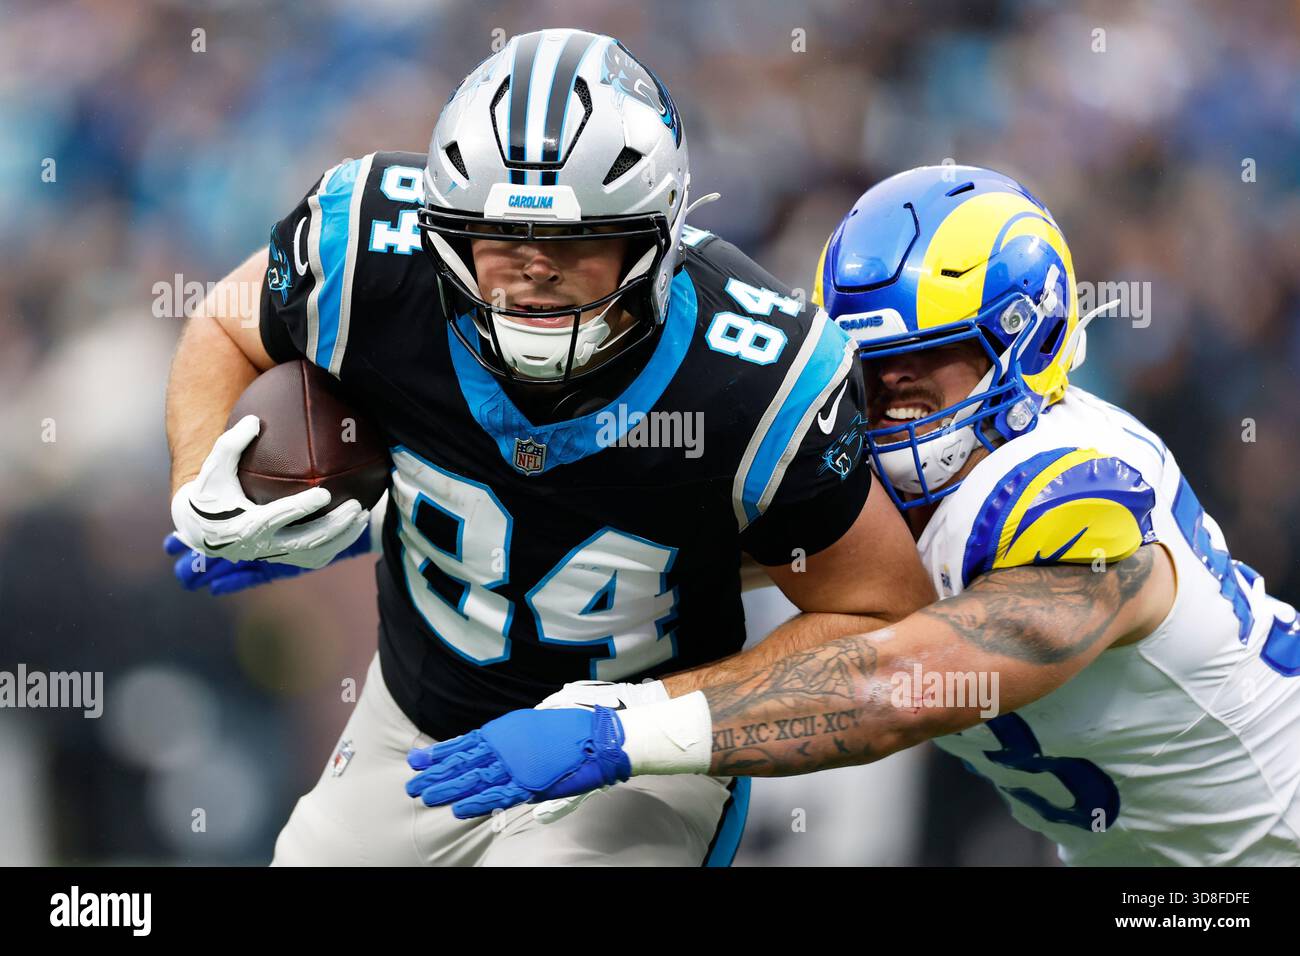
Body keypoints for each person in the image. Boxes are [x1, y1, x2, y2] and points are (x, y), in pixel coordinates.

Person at [164, 28, 932, 866]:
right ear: (443, 230)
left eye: (575, 246)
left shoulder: (754, 373)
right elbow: (226, 324)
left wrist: (642, 728)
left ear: (656, 241)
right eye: (501, 243)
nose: (534, 273)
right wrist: (204, 483)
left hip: (629, 764)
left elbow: (880, 618)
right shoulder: (363, 249)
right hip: (413, 724)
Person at [413, 166, 1300, 866]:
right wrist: (388, 515)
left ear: (1026, 341)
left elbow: (901, 692)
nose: (891, 394)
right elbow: (664, 547)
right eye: (870, 369)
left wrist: (624, 729)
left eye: (932, 358)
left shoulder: (1071, 491)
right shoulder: (865, 477)